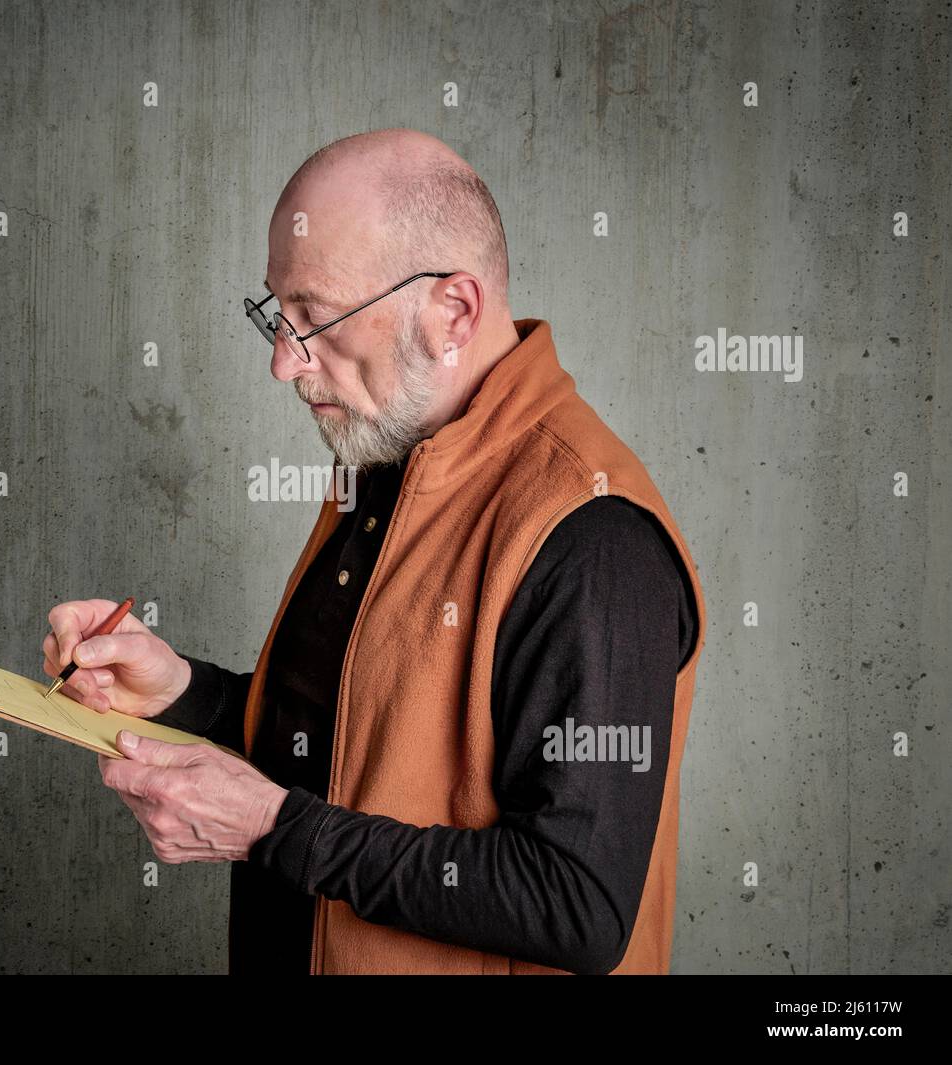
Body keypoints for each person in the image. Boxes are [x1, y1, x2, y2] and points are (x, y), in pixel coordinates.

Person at [43, 128, 706, 975]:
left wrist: (278, 830)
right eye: (275, 318)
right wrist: (183, 693)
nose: (285, 363)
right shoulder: (389, 455)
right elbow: (356, 742)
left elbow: (575, 900)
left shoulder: (593, 538)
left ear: (453, 312)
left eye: (316, 320)